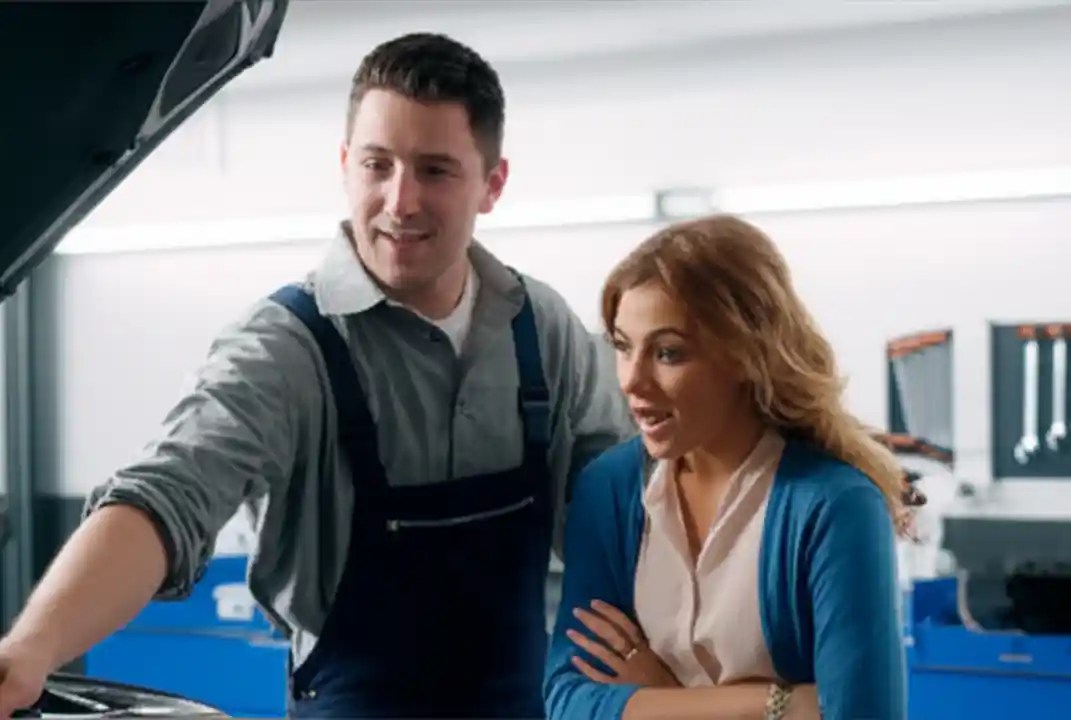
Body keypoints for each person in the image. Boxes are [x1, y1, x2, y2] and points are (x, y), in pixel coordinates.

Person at [0, 32, 634, 719]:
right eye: (377, 164)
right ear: (345, 165)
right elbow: (168, 494)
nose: (400, 201)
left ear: (493, 184)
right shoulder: (287, 346)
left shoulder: (543, 328)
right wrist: (32, 650)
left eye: (436, 170)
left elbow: (620, 515)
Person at [543, 214, 909, 720]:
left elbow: (860, 715)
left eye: (668, 353)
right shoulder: (610, 488)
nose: (631, 380)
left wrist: (660, 695)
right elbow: (568, 700)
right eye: (623, 347)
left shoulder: (835, 506)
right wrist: (778, 703)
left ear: (744, 354)